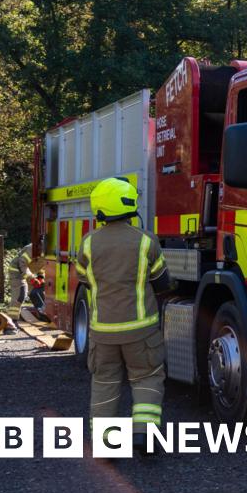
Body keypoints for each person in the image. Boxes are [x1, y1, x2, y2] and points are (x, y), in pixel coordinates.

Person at [76, 177, 172, 453]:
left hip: (102, 332)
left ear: (99, 207)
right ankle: (145, 434)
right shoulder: (145, 241)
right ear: (130, 205)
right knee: (146, 377)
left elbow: (84, 280)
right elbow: (162, 282)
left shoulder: (88, 243)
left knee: (104, 382)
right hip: (141, 331)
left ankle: (105, 443)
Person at [7, 243, 44, 308]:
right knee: (20, 295)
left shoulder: (50, 252)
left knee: (35, 292)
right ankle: (13, 314)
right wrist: (31, 278)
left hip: (27, 272)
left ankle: (40, 310)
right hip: (16, 271)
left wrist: (40, 277)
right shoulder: (33, 249)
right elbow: (22, 263)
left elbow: (41, 266)